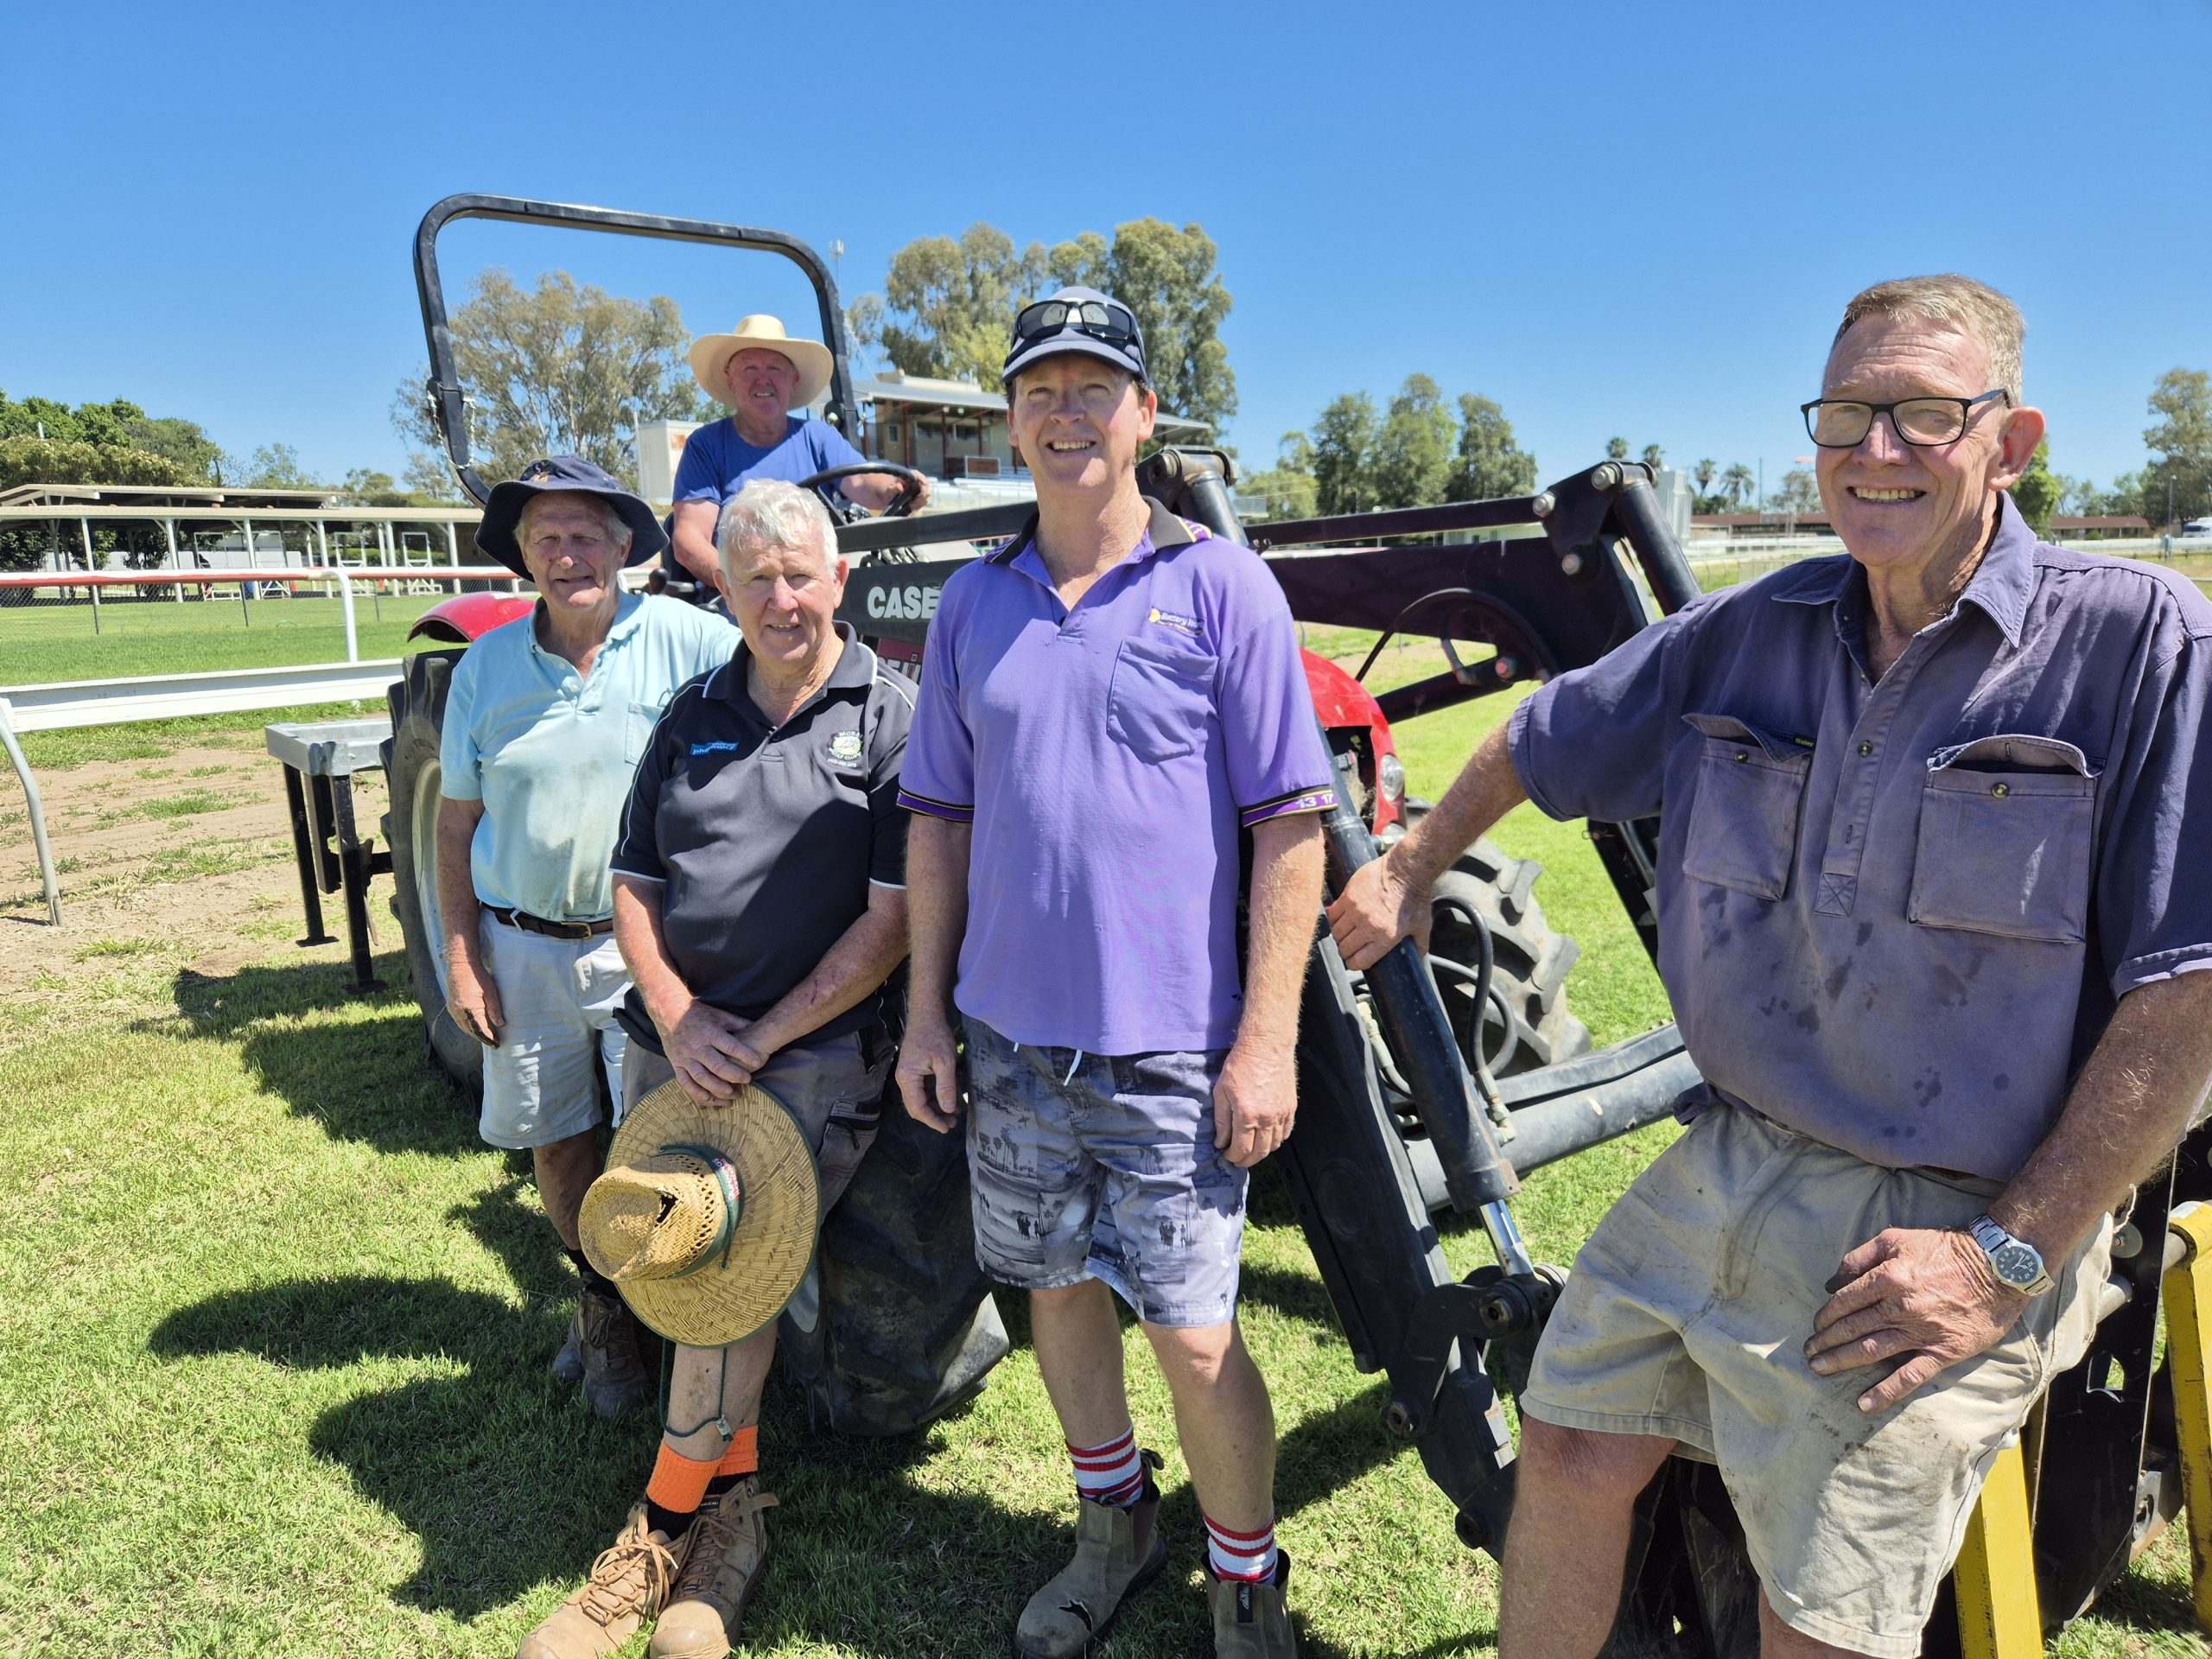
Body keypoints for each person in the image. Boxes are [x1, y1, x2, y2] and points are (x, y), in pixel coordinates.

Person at [1328, 275, 2212, 1659]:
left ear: (2014, 442)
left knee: (1820, 1607)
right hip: (1738, 1153)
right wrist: (1407, 862)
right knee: (1563, 1444)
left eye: (1924, 414)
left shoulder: (2141, 644)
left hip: (1959, 1209)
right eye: (1849, 412)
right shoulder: (1758, 628)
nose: (1876, 450)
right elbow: (1542, 733)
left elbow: (2188, 995)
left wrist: (2003, 1260)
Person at [895, 288, 1337, 1659]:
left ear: (1146, 414)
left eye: (1096, 388)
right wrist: (925, 1014)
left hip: (1168, 1053)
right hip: (1011, 1039)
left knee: (1196, 1334)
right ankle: (1114, 1526)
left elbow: (1292, 826)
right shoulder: (975, 604)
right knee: (1057, 1295)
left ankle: (1245, 1582)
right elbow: (938, 821)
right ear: (1011, 423)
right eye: (1041, 390)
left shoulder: (1221, 588)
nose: (1066, 412)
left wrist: (1265, 1042)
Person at [516, 478, 914, 1659]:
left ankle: (656, 1531)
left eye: (802, 575)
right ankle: (728, 1526)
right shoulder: (689, 712)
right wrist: (683, 1017)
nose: (782, 599)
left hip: (812, 1055)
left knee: (721, 1266)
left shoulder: (891, 716)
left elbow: (892, 918)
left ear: (841, 580)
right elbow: (633, 886)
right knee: (686, 1265)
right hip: (676, 1047)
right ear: (724, 591)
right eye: (757, 580)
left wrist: (766, 1032)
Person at [436, 456, 734, 1420]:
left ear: (624, 548)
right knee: (559, 1143)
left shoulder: (692, 641)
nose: (567, 555)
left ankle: (672, 1309)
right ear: (523, 555)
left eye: (585, 534)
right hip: (522, 944)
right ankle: (606, 1307)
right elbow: (454, 823)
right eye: (545, 537)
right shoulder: (482, 670)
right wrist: (458, 952)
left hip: (645, 944)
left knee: (657, 1141)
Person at [668, 315, 928, 583]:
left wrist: (897, 487)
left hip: (814, 593)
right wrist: (739, 588)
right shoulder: (706, 446)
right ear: (731, 379)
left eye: (774, 369)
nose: (763, 380)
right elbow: (689, 540)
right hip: (736, 603)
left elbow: (863, 482)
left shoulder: (817, 437)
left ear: (794, 379)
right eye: (749, 369)